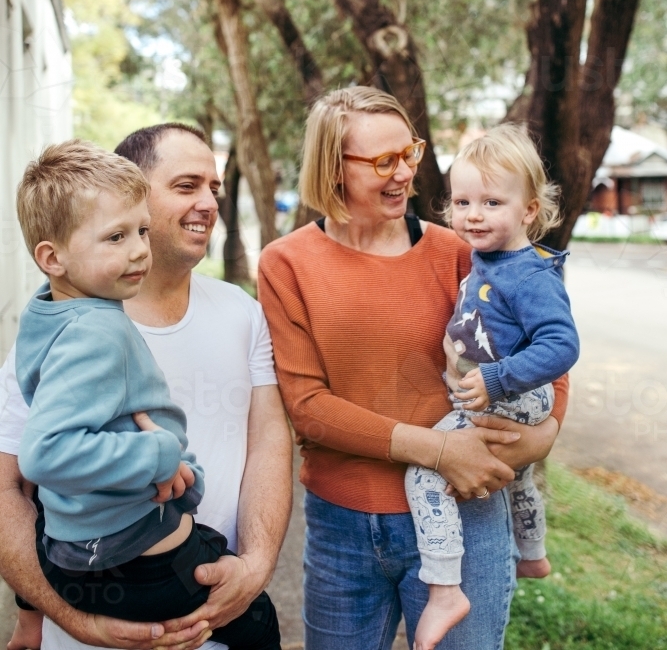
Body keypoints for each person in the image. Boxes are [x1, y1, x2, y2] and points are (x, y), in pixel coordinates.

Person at [258, 87, 569, 650]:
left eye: (411, 153)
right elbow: (307, 408)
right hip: (342, 527)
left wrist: (543, 434)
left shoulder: (461, 251)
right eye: (383, 162)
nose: (404, 173)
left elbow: (544, 349)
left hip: (465, 510)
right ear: (333, 168)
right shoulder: (287, 265)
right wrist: (437, 450)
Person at [0, 123, 292, 650]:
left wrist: (255, 568)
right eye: (186, 186)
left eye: (215, 188)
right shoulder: (82, 330)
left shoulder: (241, 312)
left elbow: (270, 441)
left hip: (208, 598)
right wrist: (59, 615)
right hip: (115, 607)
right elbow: (11, 486)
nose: (208, 202)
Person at [405, 125, 580, 650]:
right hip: (502, 391)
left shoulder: (527, 275)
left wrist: (496, 378)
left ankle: (444, 590)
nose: (473, 214)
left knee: (424, 471)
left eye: (491, 202)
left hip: (514, 394)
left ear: (528, 210)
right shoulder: (493, 258)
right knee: (518, 475)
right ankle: (533, 554)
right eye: (462, 201)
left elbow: (562, 346)